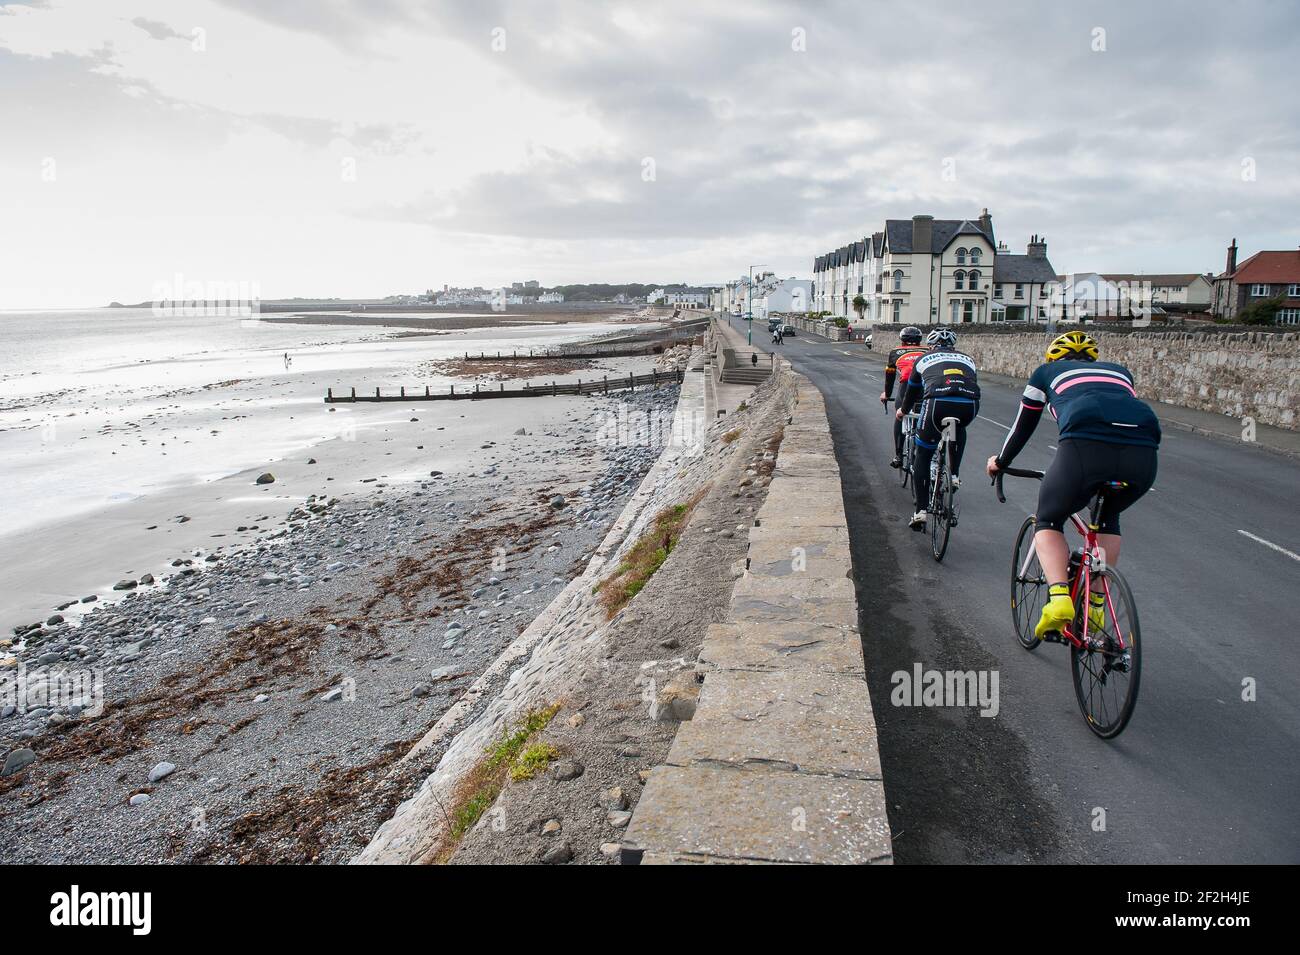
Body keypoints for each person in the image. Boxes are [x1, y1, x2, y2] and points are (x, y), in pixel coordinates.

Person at [986, 331, 1160, 639]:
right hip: (1143, 454)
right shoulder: (1120, 372)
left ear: (1053, 358)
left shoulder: (1045, 373)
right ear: (1093, 360)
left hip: (1085, 447)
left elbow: (1023, 425)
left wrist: (1001, 461)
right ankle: (1095, 604)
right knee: (1108, 518)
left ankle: (1059, 601)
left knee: (1049, 519)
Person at [898, 328, 980, 530]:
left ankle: (921, 512)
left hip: (937, 403)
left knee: (923, 455)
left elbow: (912, 391)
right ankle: (954, 475)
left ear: (931, 345)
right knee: (956, 426)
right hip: (969, 404)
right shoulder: (968, 359)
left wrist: (903, 411)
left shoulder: (924, 358)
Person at [880, 326, 927, 468]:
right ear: (920, 340)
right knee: (926, 416)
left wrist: (887, 395)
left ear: (902, 340)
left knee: (900, 415)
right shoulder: (929, 351)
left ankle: (898, 456)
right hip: (927, 386)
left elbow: (890, 377)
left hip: (906, 386)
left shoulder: (895, 352)